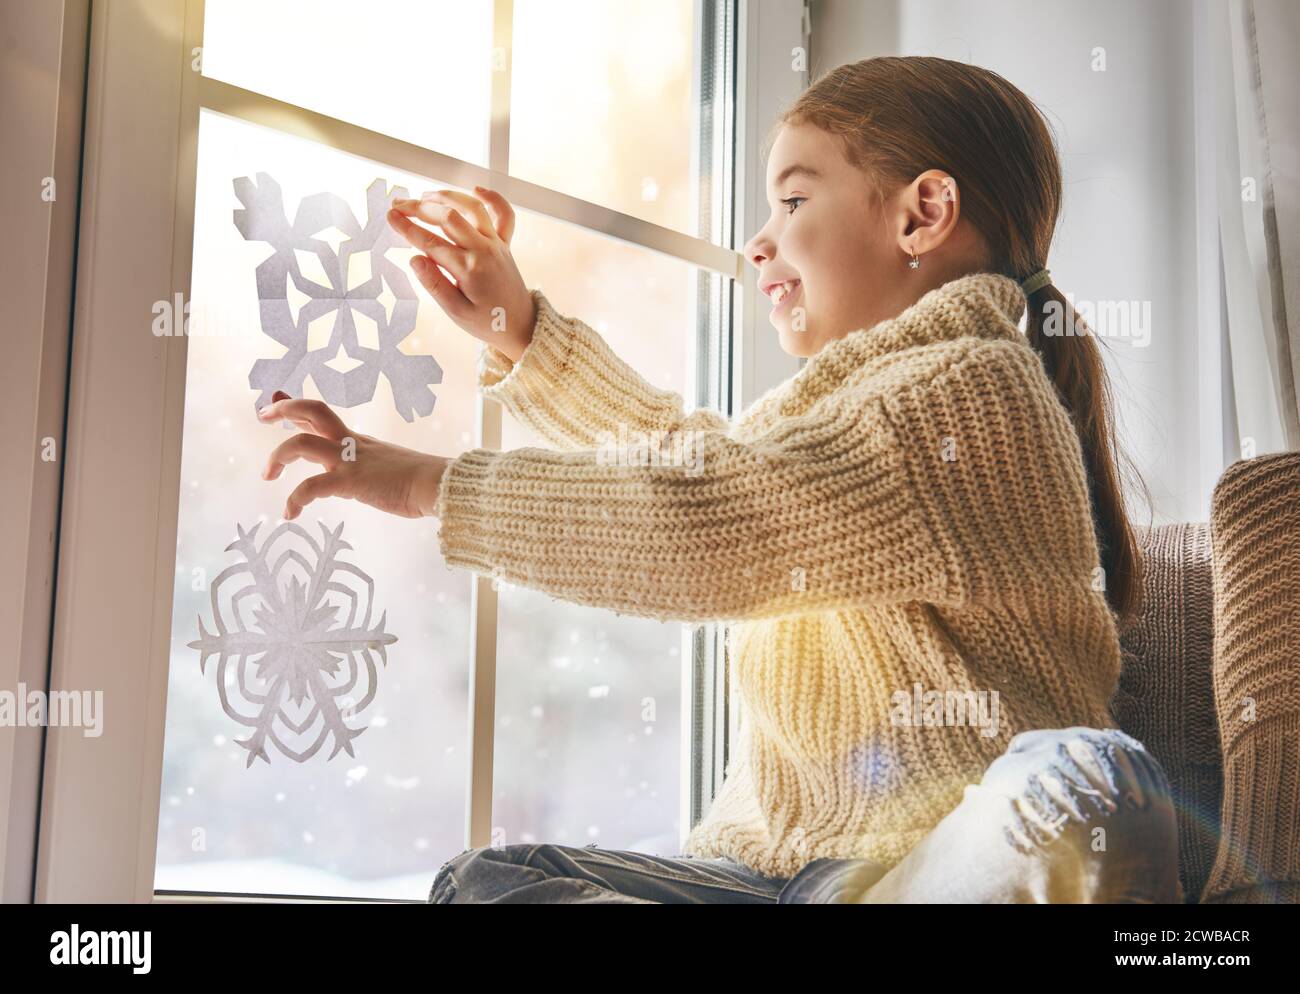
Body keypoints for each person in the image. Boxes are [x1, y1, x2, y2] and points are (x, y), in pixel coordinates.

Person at [255, 55, 1181, 903]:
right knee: (493, 882)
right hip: (769, 879)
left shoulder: (969, 390)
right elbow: (688, 462)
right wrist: (525, 333)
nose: (758, 242)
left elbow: (706, 519)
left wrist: (429, 483)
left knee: (1081, 786)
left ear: (920, 215)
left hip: (906, 868)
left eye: (793, 199)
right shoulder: (843, 407)